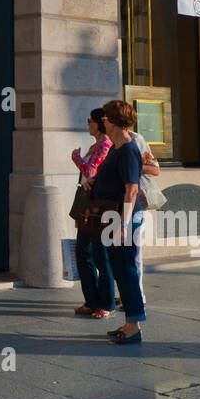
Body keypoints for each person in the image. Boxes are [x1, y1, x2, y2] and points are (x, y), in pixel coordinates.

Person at [94, 99, 147, 345]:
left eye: (104, 116)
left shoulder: (128, 149)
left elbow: (132, 190)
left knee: (126, 270)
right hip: (112, 216)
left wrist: (124, 225)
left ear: (114, 120)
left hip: (122, 218)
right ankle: (129, 323)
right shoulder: (116, 148)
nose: (102, 120)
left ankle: (134, 326)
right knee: (120, 269)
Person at [70, 108, 114, 318]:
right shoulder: (94, 145)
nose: (87, 124)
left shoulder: (106, 145)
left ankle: (106, 303)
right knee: (82, 252)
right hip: (86, 204)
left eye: (90, 121)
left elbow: (90, 172)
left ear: (98, 123)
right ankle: (91, 300)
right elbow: (84, 179)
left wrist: (76, 158)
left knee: (100, 254)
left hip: (99, 206)